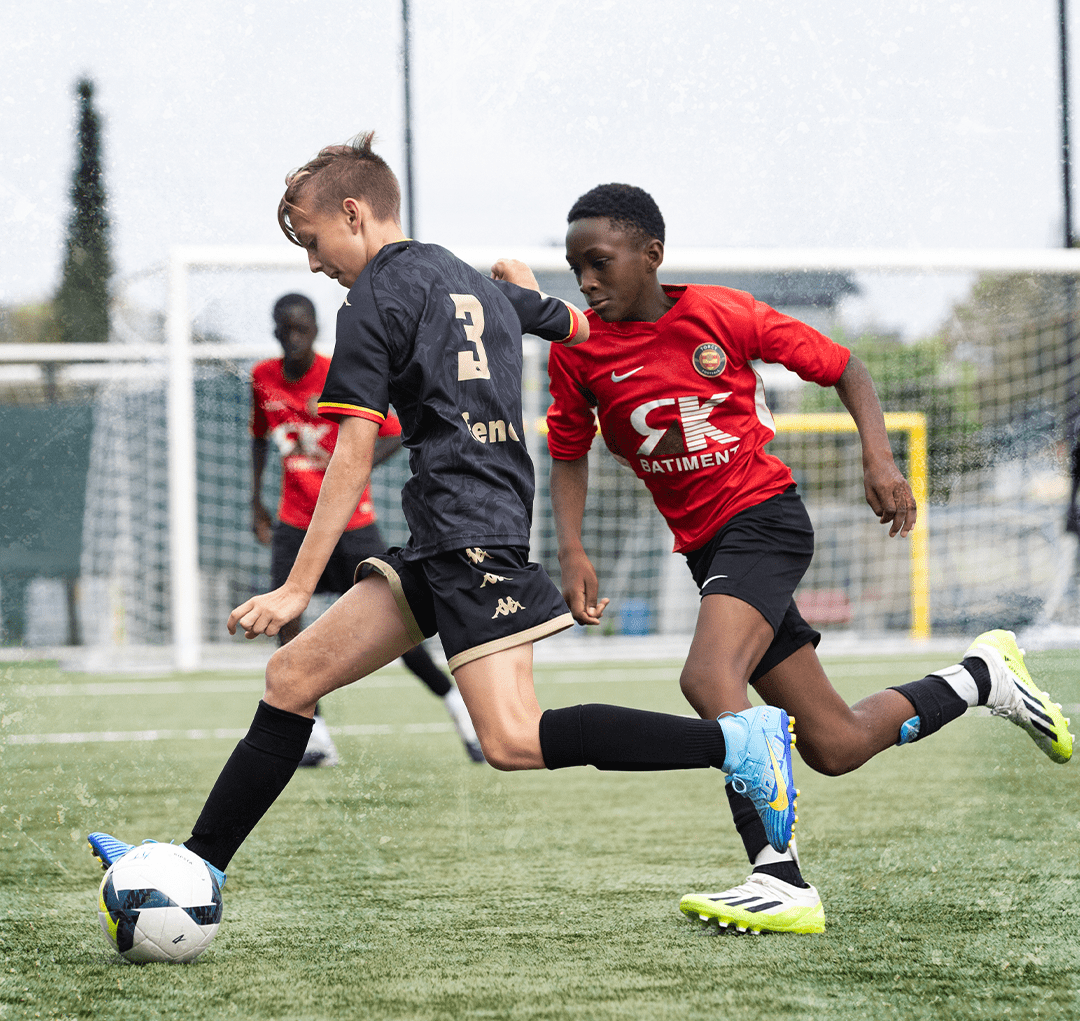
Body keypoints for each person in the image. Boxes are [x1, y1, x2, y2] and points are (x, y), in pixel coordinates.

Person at [87, 133, 800, 899]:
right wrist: (529, 291)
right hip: (449, 527)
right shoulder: (468, 277)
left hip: (469, 533)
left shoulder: (372, 304)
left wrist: (296, 588)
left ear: (355, 214)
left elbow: (352, 456)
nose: (314, 262)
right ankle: (196, 863)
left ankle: (732, 742)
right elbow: (583, 328)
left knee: (514, 739)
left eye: (314, 240)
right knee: (293, 675)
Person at [523, 182, 1073, 936]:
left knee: (706, 678)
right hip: (708, 551)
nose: (585, 281)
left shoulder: (723, 315)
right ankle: (982, 678)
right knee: (835, 743)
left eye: (599, 262)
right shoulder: (577, 349)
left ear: (651, 255)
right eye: (573, 266)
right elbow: (568, 452)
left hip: (764, 522)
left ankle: (778, 877)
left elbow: (847, 366)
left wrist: (880, 462)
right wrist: (573, 548)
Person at [252, 292, 484, 765]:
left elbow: (395, 432)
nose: (292, 336)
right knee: (287, 626)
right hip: (295, 523)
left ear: (316, 329)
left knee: (394, 622)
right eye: (284, 328)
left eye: (301, 327)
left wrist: (353, 470)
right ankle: (313, 735)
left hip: (352, 523)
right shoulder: (261, 379)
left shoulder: (340, 371)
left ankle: (455, 702)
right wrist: (254, 500)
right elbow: (257, 437)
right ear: (274, 330)